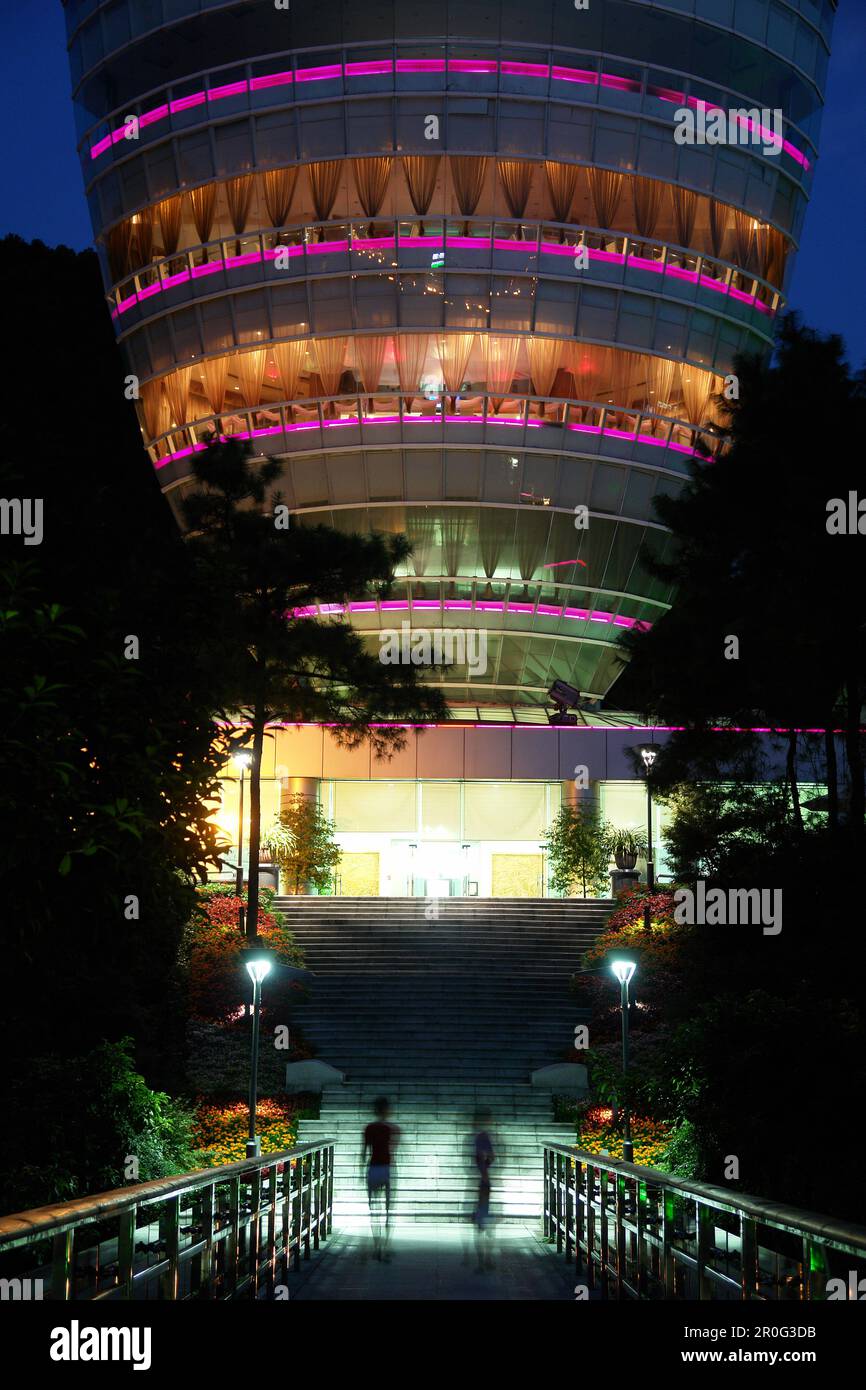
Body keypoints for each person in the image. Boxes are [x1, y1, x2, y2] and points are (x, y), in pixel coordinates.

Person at [362, 1097, 400, 1260]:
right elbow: (393, 1150)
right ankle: (385, 1246)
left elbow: (364, 1152)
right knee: (388, 1209)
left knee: (374, 1209)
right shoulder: (393, 1129)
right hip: (387, 1168)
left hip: (373, 1168)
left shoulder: (369, 1128)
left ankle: (377, 1246)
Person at [472, 1106, 496, 1270]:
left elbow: (481, 1156)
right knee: (483, 1220)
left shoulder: (478, 1137)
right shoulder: (484, 1137)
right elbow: (490, 1156)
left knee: (481, 1221)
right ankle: (485, 1259)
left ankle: (483, 1260)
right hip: (484, 1180)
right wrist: (485, 1170)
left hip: (481, 1180)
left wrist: (483, 1170)